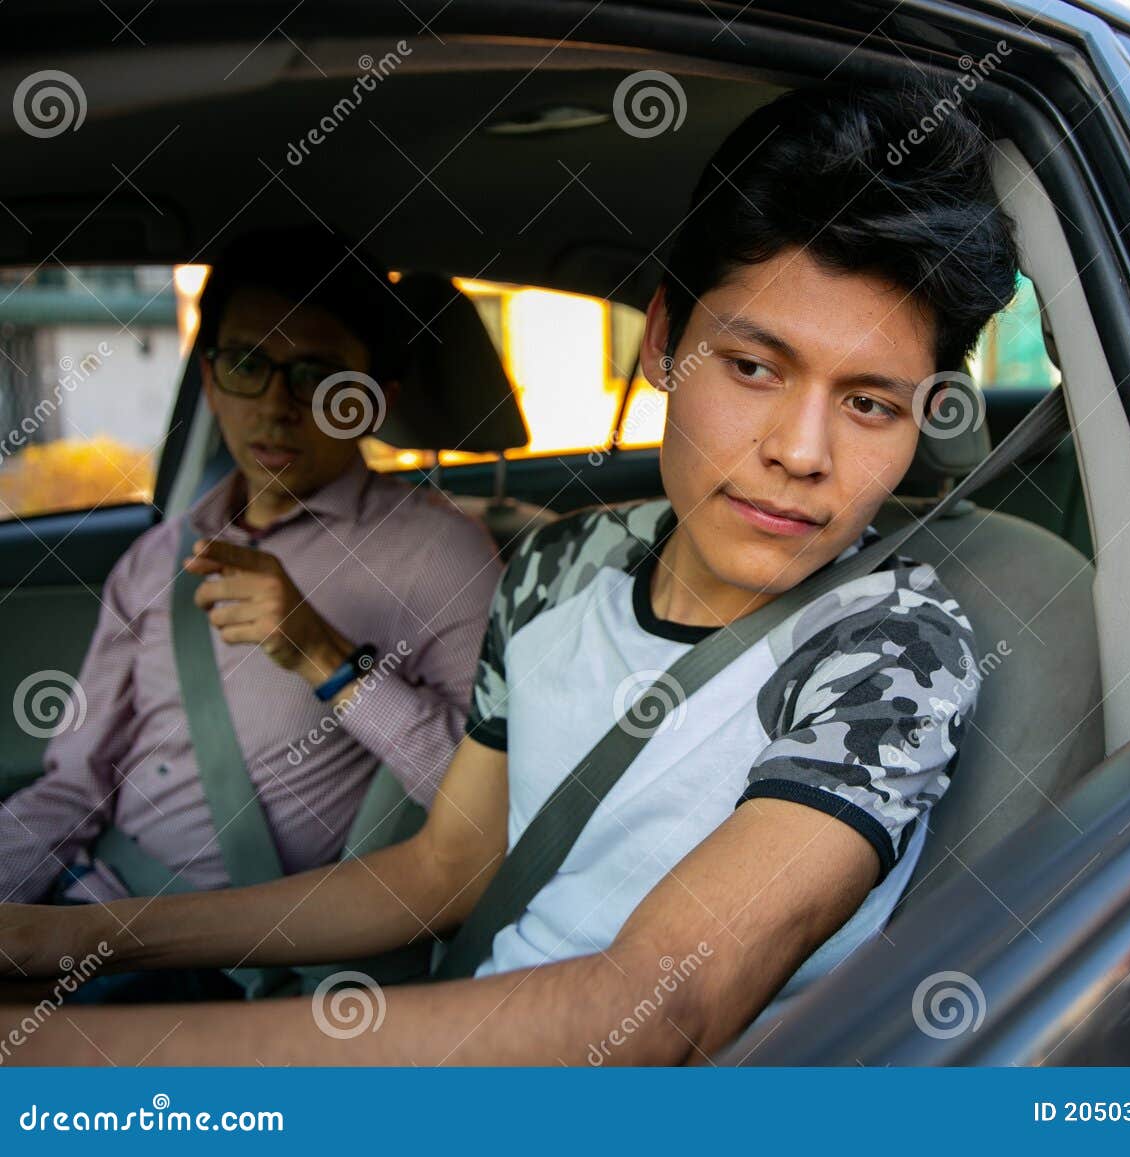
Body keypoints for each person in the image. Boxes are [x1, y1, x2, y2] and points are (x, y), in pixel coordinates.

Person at [0, 82, 1019, 1062]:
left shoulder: (891, 647)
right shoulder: (554, 567)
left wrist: (78, 1065)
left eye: (871, 403)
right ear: (665, 342)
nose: (802, 452)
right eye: (753, 367)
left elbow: (660, 1009)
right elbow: (442, 869)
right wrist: (64, 941)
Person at [0, 228, 502, 997]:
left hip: (225, 964)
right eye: (247, 364)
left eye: (317, 375)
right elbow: (73, 784)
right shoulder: (157, 556)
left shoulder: (445, 557)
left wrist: (329, 660)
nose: (276, 404)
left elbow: (483, 814)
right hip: (87, 900)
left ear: (377, 402)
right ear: (210, 380)